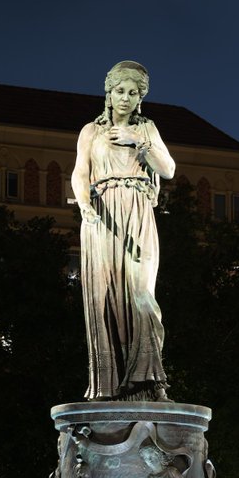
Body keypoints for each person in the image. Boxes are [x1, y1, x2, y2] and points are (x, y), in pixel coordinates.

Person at [71, 60, 176, 401]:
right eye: (120, 91)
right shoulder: (91, 131)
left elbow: (169, 169)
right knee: (104, 297)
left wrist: (137, 142)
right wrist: (84, 203)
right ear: (108, 92)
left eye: (134, 93)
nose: (126, 98)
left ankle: (149, 380)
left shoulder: (146, 128)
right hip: (102, 216)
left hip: (137, 212)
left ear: (140, 97)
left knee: (142, 296)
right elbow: (79, 172)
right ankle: (109, 384)